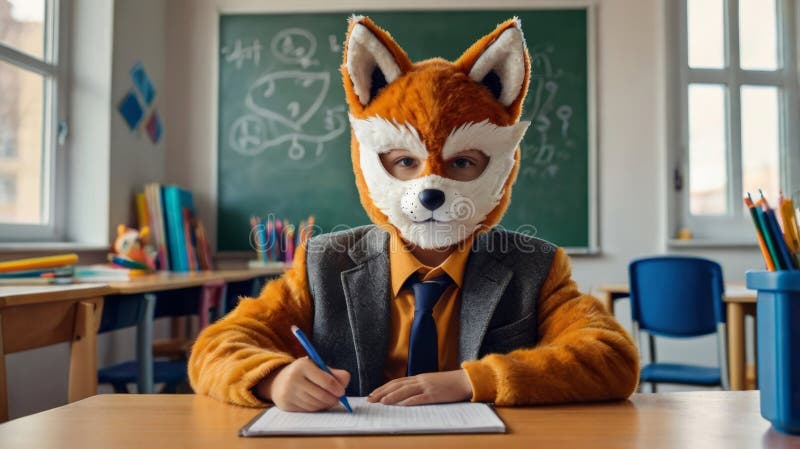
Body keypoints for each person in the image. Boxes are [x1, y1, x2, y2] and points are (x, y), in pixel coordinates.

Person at [188, 16, 639, 412]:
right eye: (404, 162)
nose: (428, 186)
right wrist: (272, 379)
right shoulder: (324, 263)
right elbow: (214, 348)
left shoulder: (533, 267)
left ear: (499, 165)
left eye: (463, 162)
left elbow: (612, 358)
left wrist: (473, 382)